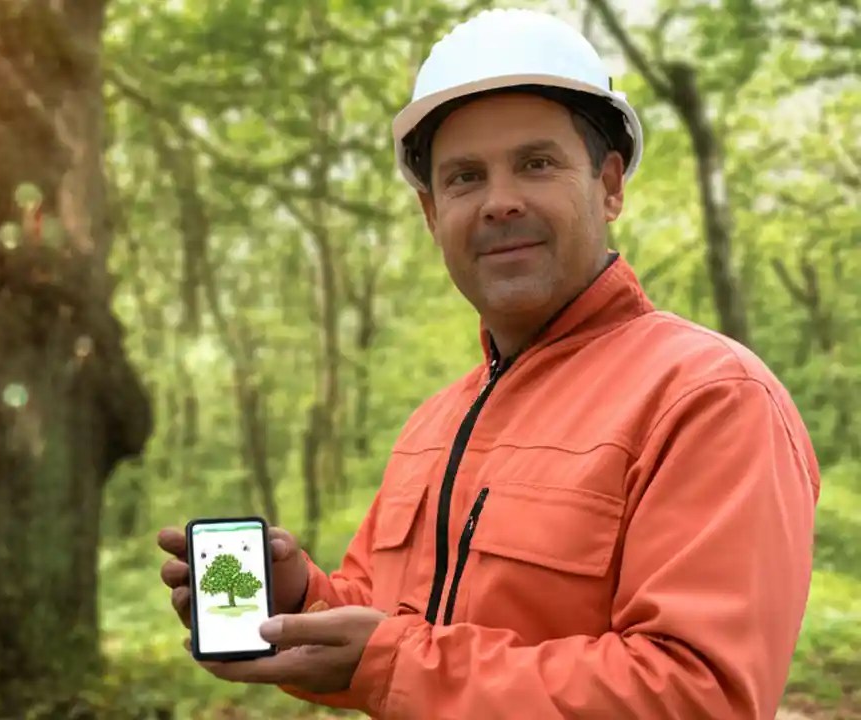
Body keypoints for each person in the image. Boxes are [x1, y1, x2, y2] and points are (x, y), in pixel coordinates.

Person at [157, 7, 820, 719]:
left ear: (610, 185)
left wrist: (393, 664)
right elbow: (389, 620)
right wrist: (299, 600)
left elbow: (698, 695)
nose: (500, 202)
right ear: (431, 214)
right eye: (465, 178)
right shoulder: (432, 426)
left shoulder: (709, 398)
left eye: (536, 164)